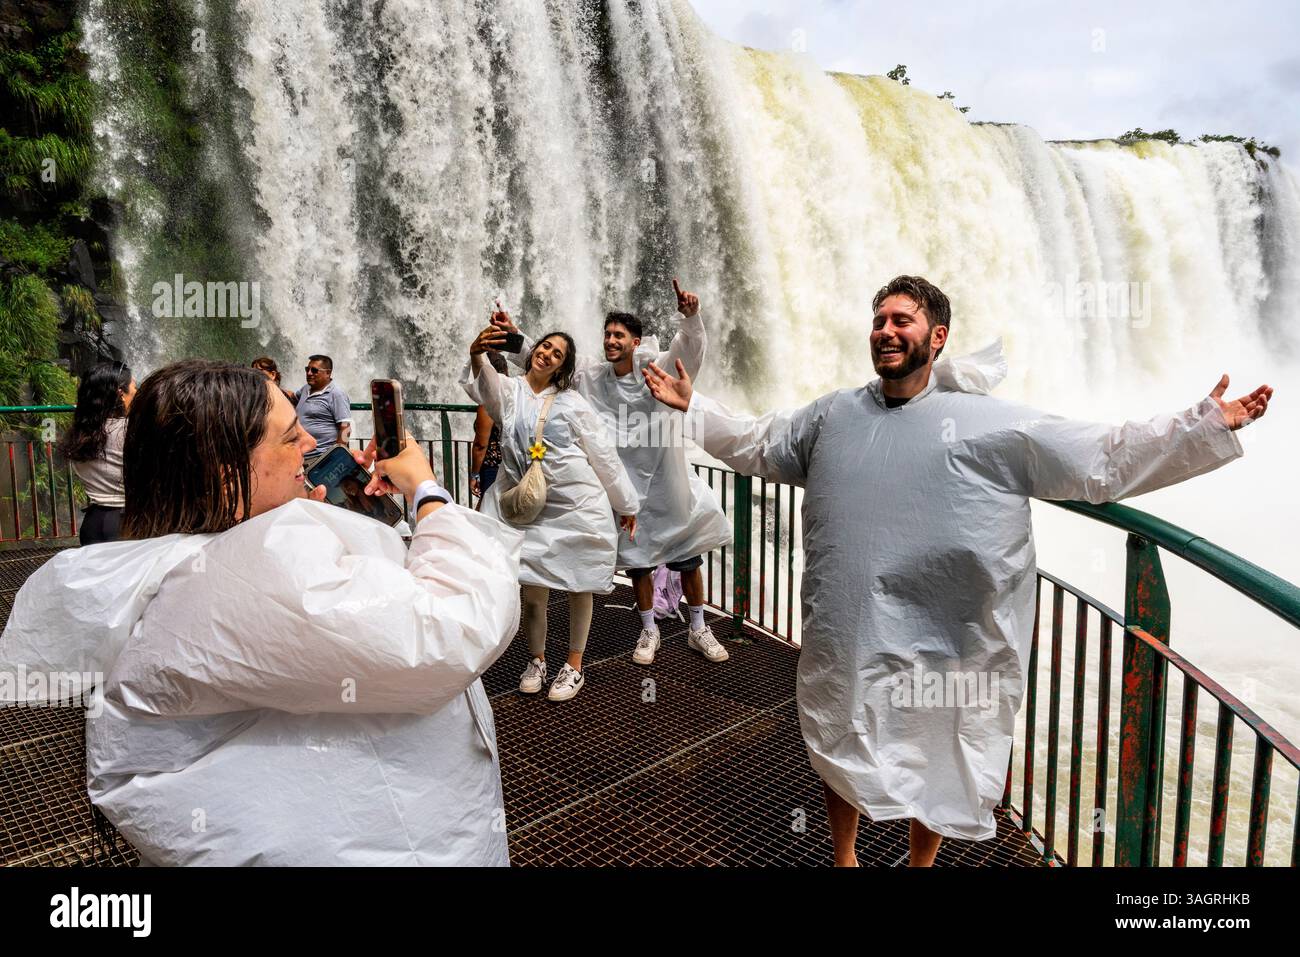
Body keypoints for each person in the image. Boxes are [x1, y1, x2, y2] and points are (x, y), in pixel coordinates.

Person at [644, 274, 1272, 867]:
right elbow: (758, 441)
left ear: (937, 336)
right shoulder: (832, 414)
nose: (886, 331)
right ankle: (844, 857)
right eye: (879, 320)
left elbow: (1101, 457)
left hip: (951, 628)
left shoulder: (989, 422)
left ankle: (920, 862)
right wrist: (691, 407)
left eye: (903, 320)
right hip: (850, 619)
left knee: (942, 740)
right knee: (839, 730)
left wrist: (1205, 425)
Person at [0, 359, 523, 865]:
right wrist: (428, 493)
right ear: (228, 475)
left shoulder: (192, 566)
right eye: (291, 436)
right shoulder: (255, 579)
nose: (312, 444)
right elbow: (454, 627)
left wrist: (321, 517)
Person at [491, 282, 732, 665]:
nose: (611, 340)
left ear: (636, 342)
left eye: (619, 335)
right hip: (628, 483)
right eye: (607, 334)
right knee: (638, 561)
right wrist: (514, 335)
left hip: (667, 479)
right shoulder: (592, 376)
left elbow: (687, 353)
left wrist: (691, 317)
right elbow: (552, 364)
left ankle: (699, 628)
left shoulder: (657, 367)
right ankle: (649, 629)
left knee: (688, 556)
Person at [464, 325, 640, 702]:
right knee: (532, 590)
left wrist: (626, 504)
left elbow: (602, 455)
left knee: (581, 583)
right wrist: (477, 353)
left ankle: (574, 665)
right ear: (533, 351)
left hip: (575, 503)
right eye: (545, 346)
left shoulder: (573, 403)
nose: (547, 354)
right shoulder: (509, 393)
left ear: (562, 368)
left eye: (558, 354)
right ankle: (537, 660)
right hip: (527, 506)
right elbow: (483, 386)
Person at [59, 361, 136, 545]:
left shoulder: (81, 433)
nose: (137, 393)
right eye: (134, 388)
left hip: (93, 524)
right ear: (120, 393)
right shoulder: (131, 430)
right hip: (127, 524)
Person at [295, 354, 352, 467]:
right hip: (300, 457)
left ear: (328, 373)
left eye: (314, 370)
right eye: (307, 369)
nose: (309, 373)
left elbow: (346, 428)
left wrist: (336, 458)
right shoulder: (305, 389)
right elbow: (292, 397)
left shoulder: (336, 394)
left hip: (321, 459)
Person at [470, 352, 508, 504]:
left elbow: (480, 445)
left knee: (488, 513)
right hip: (508, 466)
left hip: (492, 469)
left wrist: (474, 475)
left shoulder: (488, 403)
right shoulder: (512, 396)